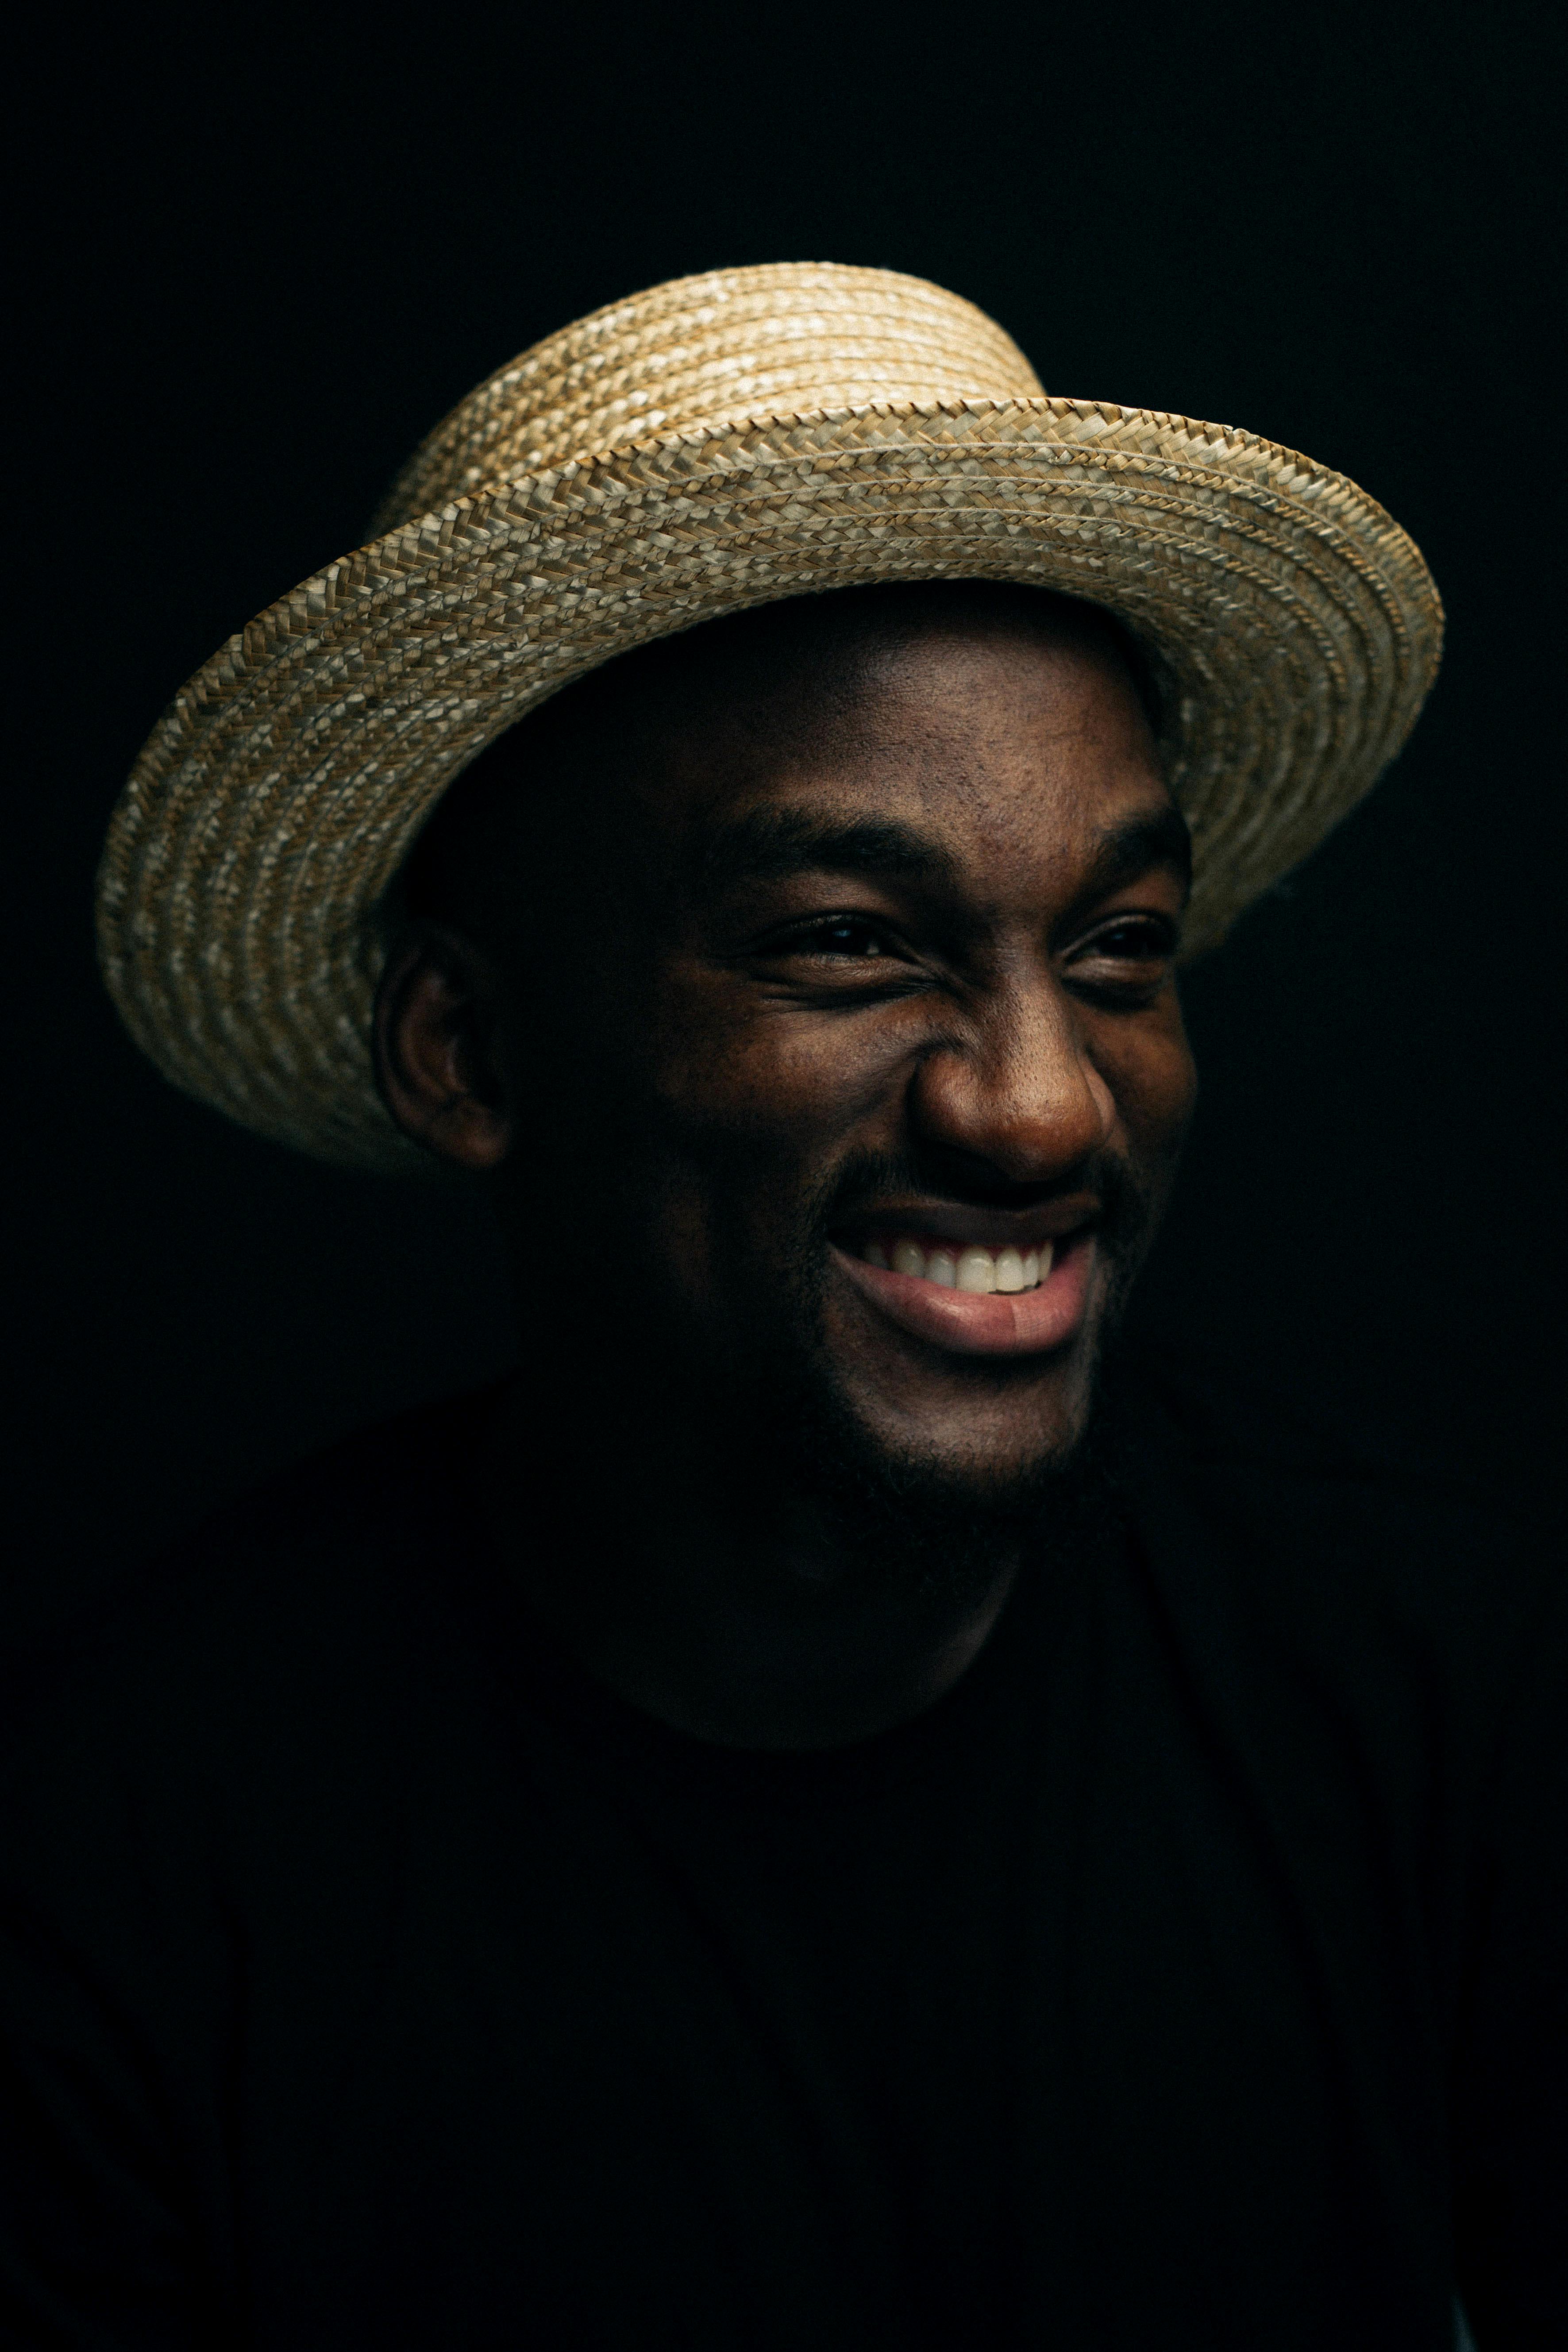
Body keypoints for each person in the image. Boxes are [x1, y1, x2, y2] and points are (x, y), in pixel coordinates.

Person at [2, 264, 1560, 2348]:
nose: (1035, 1103)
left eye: (1116, 943)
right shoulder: (117, 1883)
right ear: (466, 1049)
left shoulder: (1450, 1707)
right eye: (846, 942)